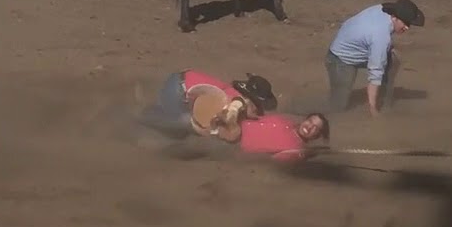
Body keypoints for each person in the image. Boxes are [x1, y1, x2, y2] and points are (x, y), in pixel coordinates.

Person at [324, 0, 425, 115]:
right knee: (339, 105)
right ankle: (335, 117)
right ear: (394, 17)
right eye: (405, 23)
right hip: (340, 59)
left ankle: (385, 103)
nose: (407, 28)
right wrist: (373, 110)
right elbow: (375, 74)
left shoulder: (384, 9)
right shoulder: (380, 35)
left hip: (358, 48)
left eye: (409, 24)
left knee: (393, 58)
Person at [139, 71, 277, 141]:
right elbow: (216, 129)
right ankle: (141, 121)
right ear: (251, 102)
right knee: (184, 127)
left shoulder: (232, 93)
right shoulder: (233, 103)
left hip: (180, 80)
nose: (258, 113)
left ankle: (150, 113)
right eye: (258, 108)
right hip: (178, 91)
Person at [239, 113, 330, 162]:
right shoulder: (284, 121)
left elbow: (270, 161)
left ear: (316, 136)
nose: (309, 127)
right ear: (304, 120)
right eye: (310, 121)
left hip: (238, 143)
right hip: (237, 125)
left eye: (315, 128)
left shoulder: (295, 151)